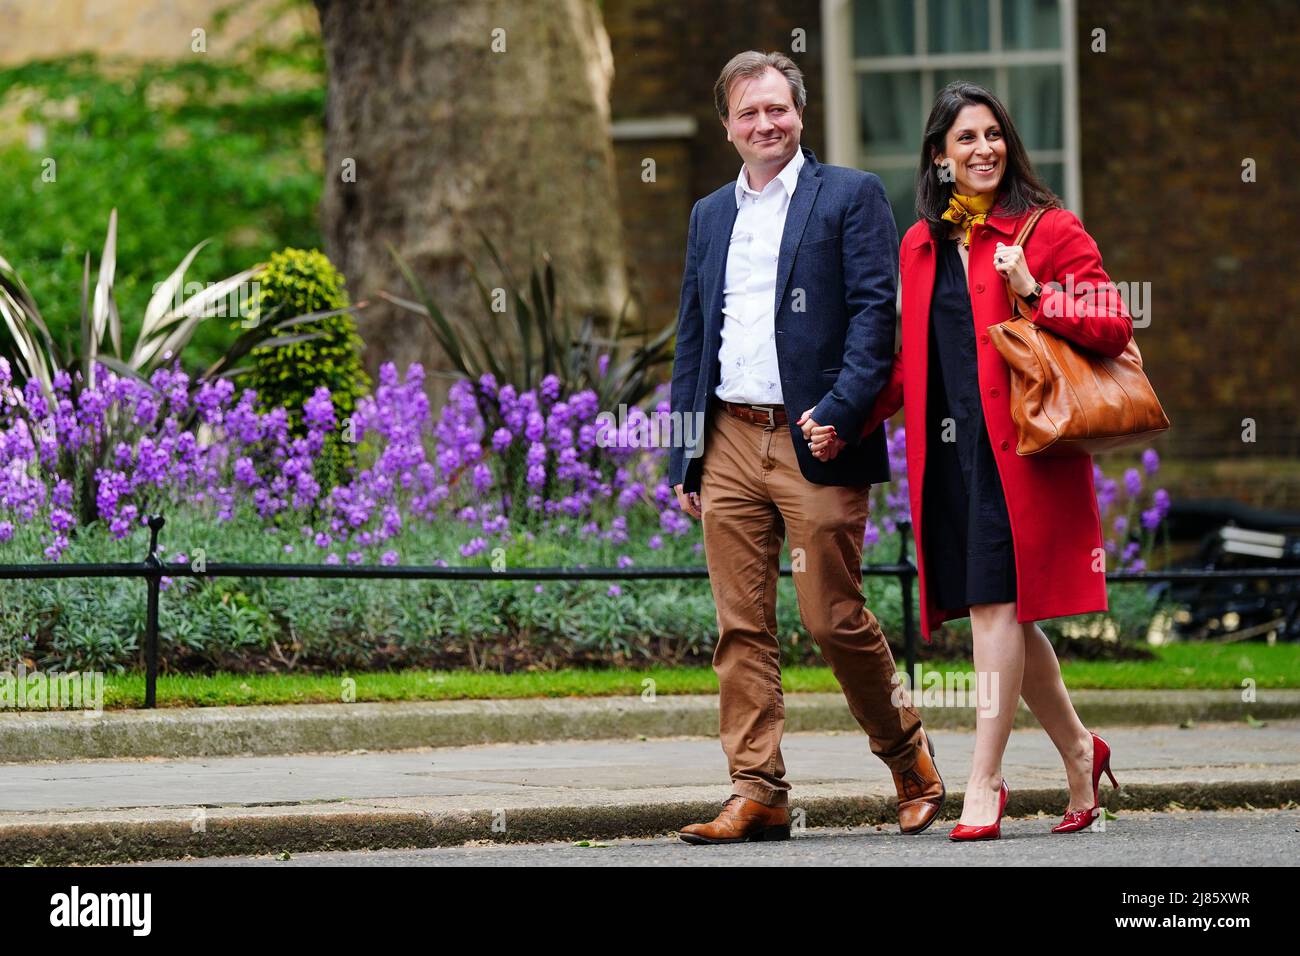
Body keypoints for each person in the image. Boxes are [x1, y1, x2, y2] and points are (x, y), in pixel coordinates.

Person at [811, 81, 1129, 840]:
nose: (983, 149)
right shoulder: (920, 244)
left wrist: (1036, 290)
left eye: (993, 135)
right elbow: (910, 363)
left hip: (1021, 454)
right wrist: (847, 419)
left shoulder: (1046, 229)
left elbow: (1113, 322)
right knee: (1004, 614)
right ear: (940, 157)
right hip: (950, 457)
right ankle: (1082, 750)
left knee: (994, 608)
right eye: (966, 139)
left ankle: (984, 781)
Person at [667, 50, 944, 846]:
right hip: (726, 433)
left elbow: (874, 316)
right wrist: (686, 454)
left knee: (833, 616)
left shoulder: (849, 196)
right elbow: (694, 337)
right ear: (727, 126)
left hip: (816, 436)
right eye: (749, 113)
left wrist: (844, 410)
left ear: (800, 114)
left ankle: (907, 756)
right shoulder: (709, 214)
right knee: (740, 624)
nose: (766, 124)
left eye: (778, 109)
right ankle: (758, 791)